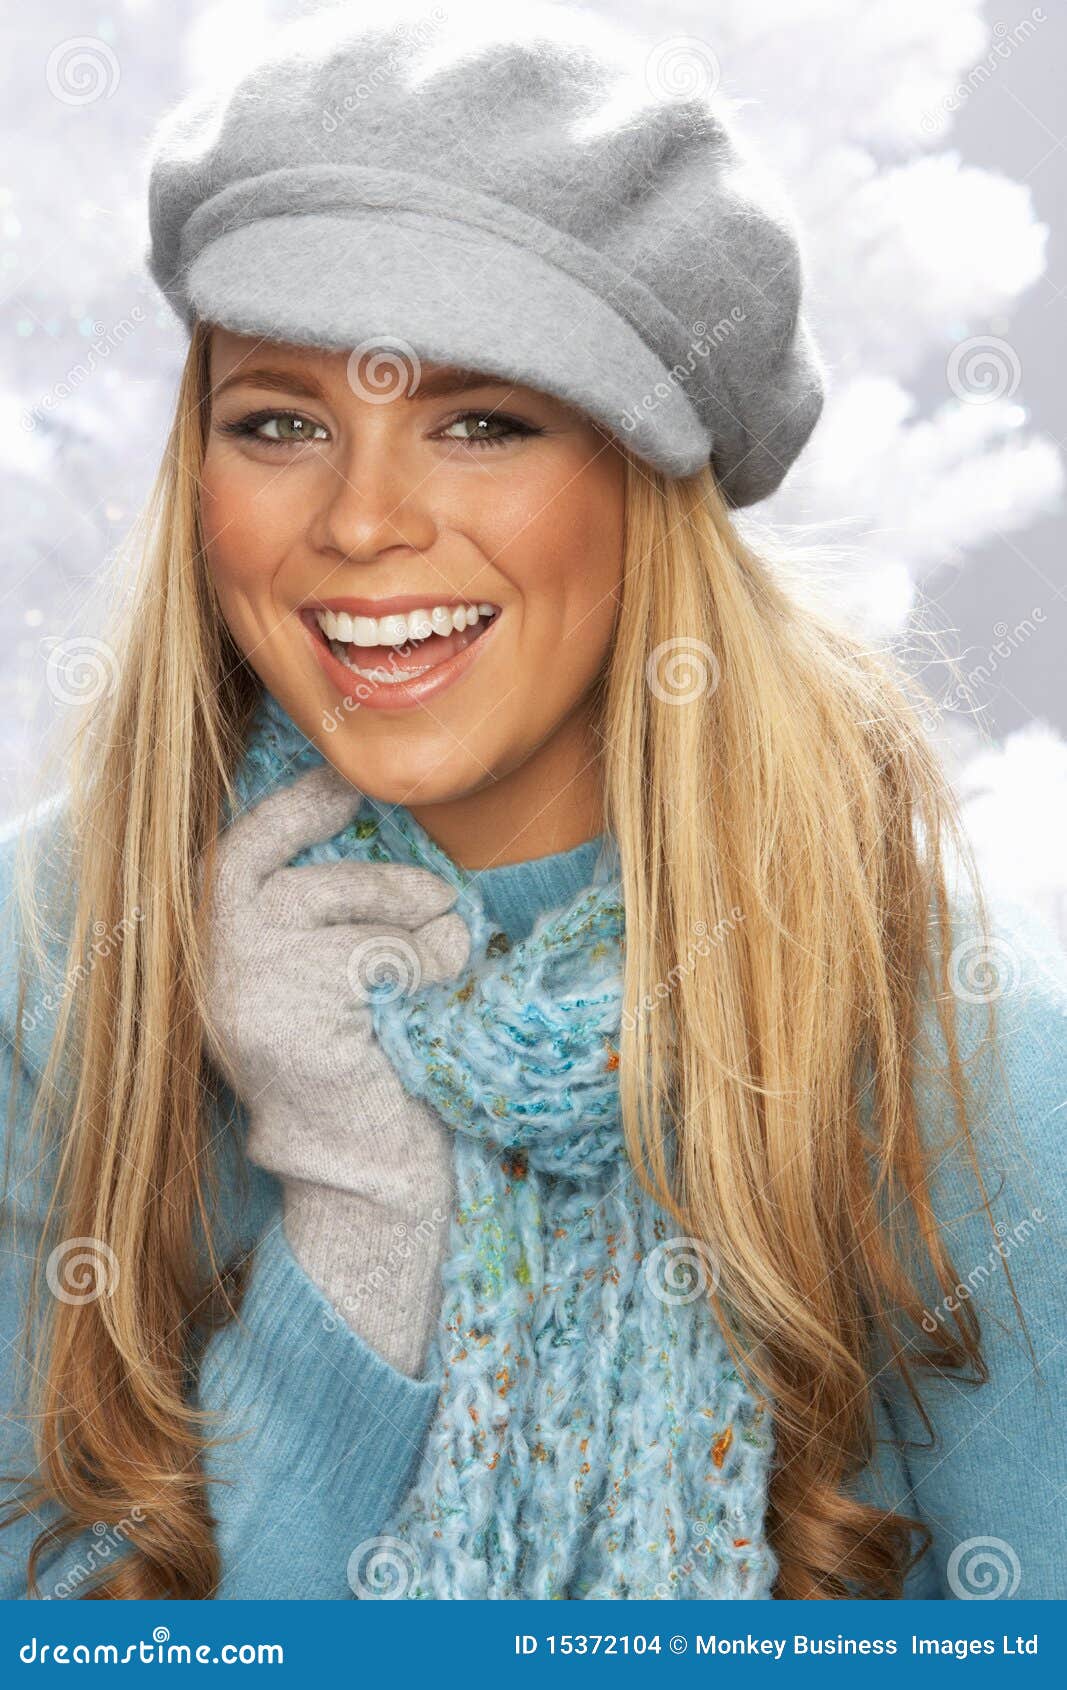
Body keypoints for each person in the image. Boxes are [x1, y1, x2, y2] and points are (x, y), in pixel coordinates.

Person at [1, 0, 1064, 1602]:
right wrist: (361, 1204)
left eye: (480, 422)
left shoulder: (956, 1034)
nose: (363, 520)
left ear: (649, 481)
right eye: (280, 421)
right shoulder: (47, 960)